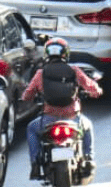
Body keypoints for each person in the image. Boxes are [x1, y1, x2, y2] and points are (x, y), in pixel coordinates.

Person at [22, 38, 102, 178]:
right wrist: (96, 92)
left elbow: (27, 95)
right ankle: (89, 159)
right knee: (88, 127)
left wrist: (27, 98)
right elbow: (92, 88)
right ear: (66, 54)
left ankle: (35, 164)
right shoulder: (74, 70)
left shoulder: (41, 73)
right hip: (73, 119)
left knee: (31, 128)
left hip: (48, 120)